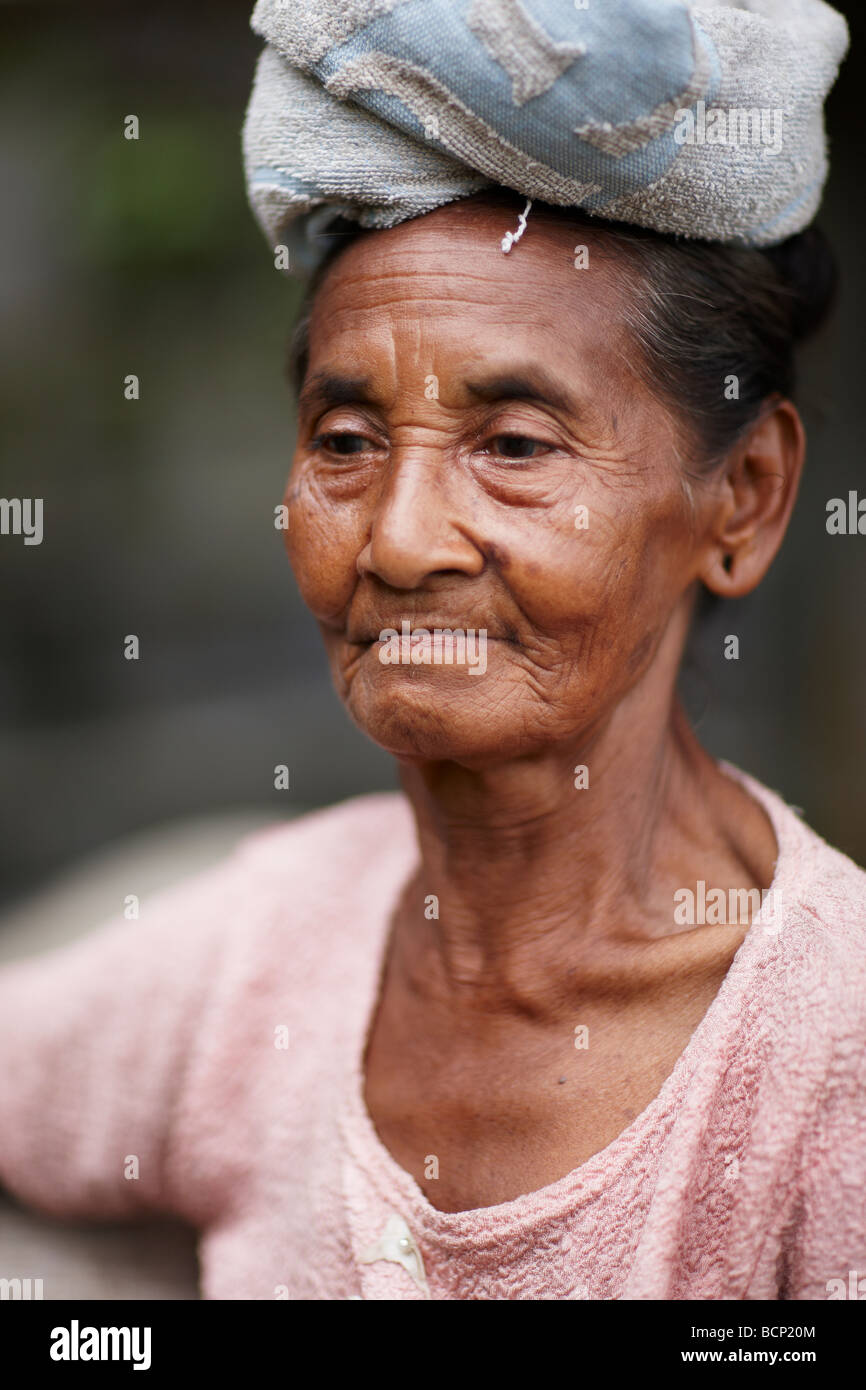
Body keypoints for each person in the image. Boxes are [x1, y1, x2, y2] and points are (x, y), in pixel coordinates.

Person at [0, 0, 862, 1300]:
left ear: (739, 498)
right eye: (344, 442)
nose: (398, 542)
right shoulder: (261, 949)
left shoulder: (825, 1061)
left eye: (514, 446)